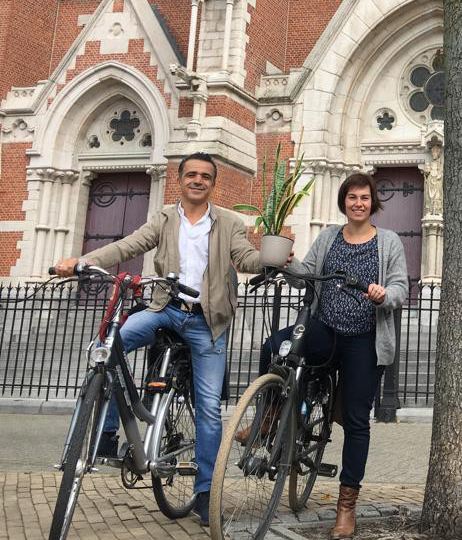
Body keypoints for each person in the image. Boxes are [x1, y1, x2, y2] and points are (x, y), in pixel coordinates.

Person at [54, 152, 263, 527]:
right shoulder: (164, 217)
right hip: (164, 308)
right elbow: (127, 246)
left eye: (205, 176)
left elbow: (244, 257)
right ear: (179, 180)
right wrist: (80, 261)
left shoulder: (230, 221)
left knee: (210, 410)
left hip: (206, 321)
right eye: (191, 175)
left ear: (213, 184)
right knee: (107, 347)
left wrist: (271, 259)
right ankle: (106, 432)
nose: (197, 181)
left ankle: (204, 493)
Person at [255, 172, 408, 539]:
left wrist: (383, 294)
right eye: (352, 197)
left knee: (357, 421)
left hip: (364, 339)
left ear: (373, 203)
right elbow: (305, 275)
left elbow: (401, 288)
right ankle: (270, 417)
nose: (358, 203)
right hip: (325, 330)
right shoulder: (328, 238)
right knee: (275, 346)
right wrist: (285, 262)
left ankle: (346, 507)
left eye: (364, 198)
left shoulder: (388, 242)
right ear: (343, 202)